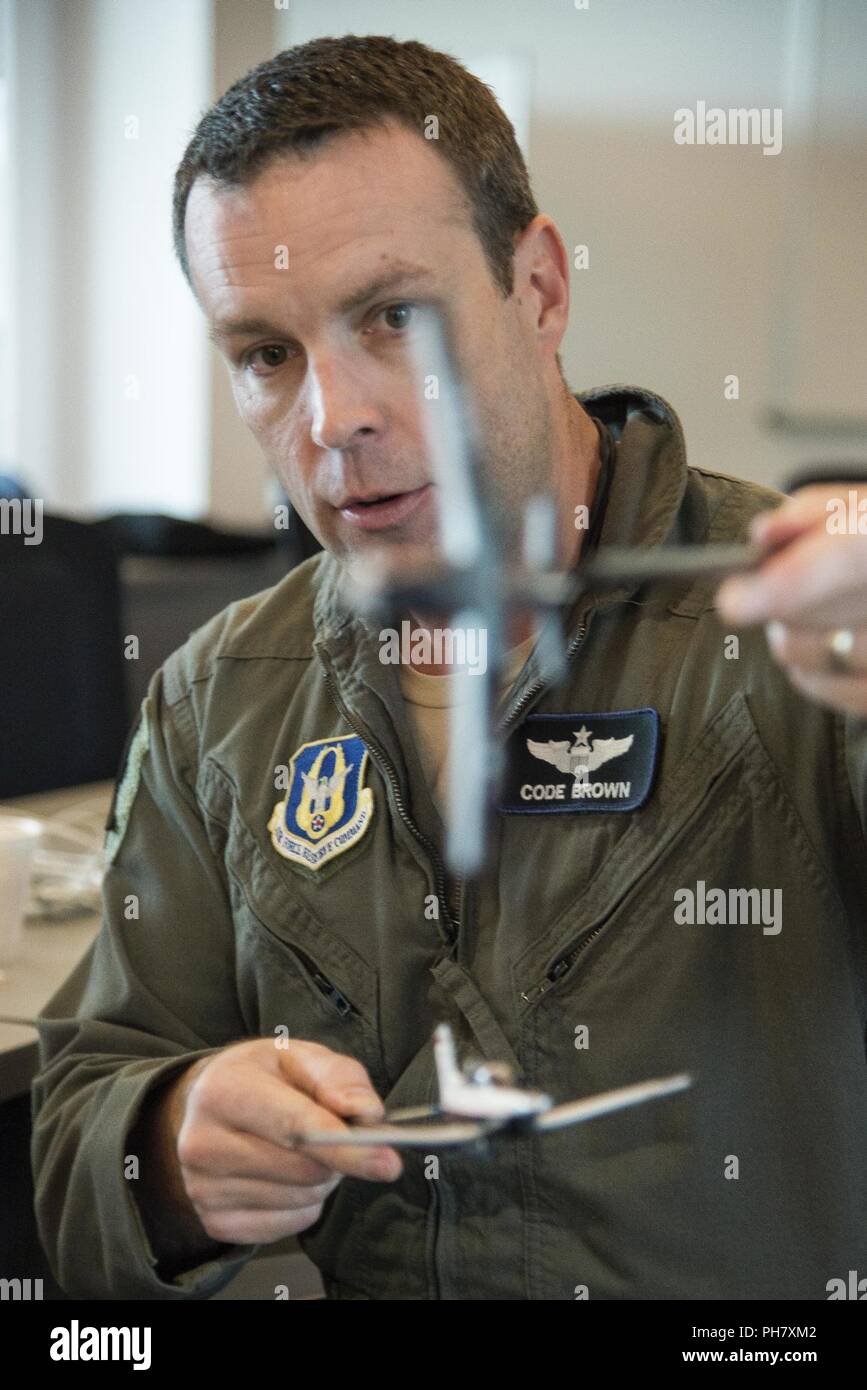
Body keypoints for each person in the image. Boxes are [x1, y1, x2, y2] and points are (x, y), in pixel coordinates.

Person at [31, 34, 867, 1301]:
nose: (335, 419)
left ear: (539, 290)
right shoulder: (219, 698)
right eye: (267, 354)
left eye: (395, 318)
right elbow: (82, 1127)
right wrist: (167, 1146)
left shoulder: (799, 642)